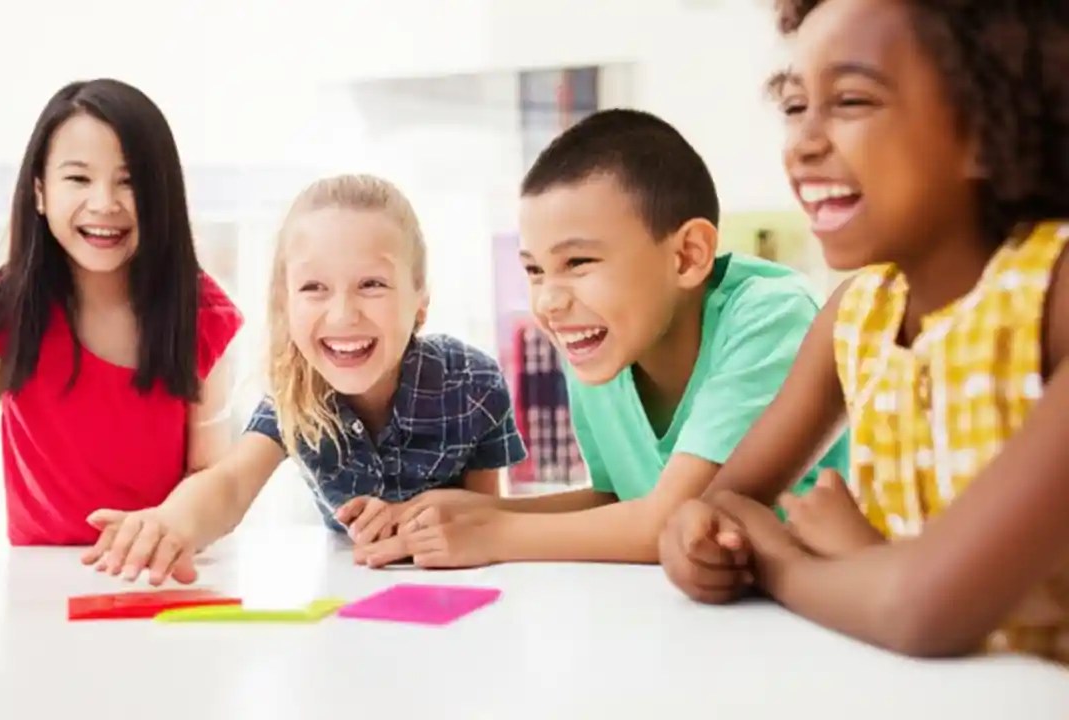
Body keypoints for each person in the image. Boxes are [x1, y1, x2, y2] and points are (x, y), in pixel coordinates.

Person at [659, 0, 1069, 663]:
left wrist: (781, 562)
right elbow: (719, 508)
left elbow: (924, 611)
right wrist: (700, 540)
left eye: (850, 101)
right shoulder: (856, 318)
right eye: (795, 107)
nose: (805, 142)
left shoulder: (1053, 295)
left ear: (987, 129)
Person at [359, 109, 847, 569]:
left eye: (578, 263)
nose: (549, 301)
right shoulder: (602, 345)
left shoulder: (770, 317)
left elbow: (674, 518)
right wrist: (469, 511)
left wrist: (491, 533)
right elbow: (621, 503)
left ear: (687, 256)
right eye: (534, 270)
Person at [82, 174, 527, 585]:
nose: (343, 314)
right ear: (285, 303)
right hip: (349, 594)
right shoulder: (293, 394)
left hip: (453, 594)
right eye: (314, 288)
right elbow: (232, 483)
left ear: (420, 301)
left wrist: (413, 521)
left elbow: (493, 516)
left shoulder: (474, 383)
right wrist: (172, 521)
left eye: (372, 284)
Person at [0, 79, 243, 585]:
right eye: (78, 179)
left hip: (156, 573)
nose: (105, 203)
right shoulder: (8, 301)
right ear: (39, 192)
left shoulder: (200, 311)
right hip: (39, 579)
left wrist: (166, 528)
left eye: (130, 181)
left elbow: (210, 473)